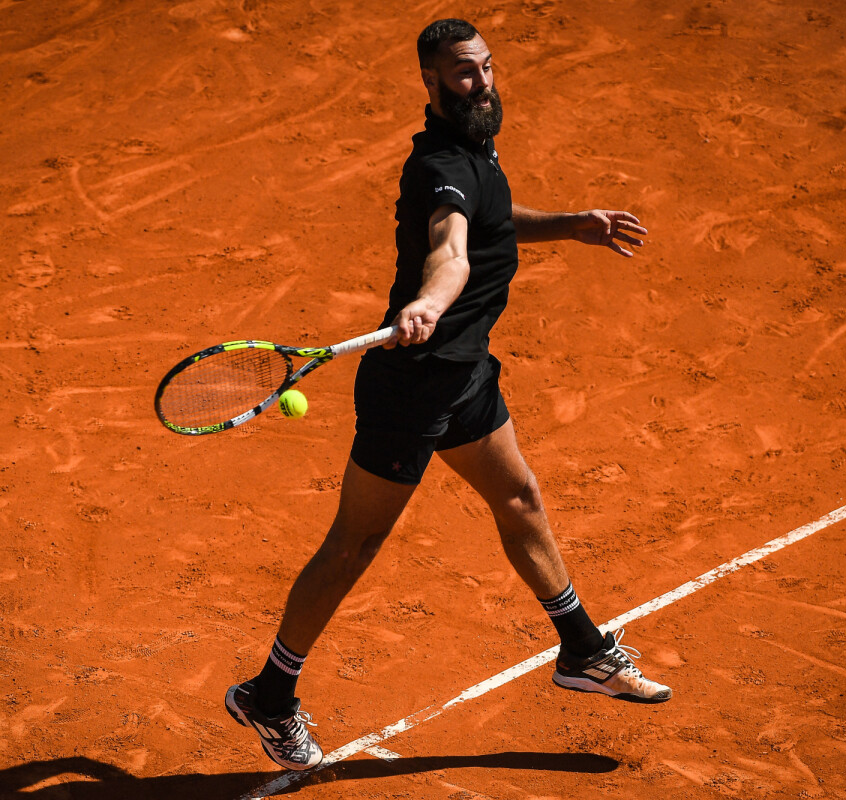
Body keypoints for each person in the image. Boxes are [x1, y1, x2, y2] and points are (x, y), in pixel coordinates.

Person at [225, 18, 670, 772]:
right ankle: (269, 694)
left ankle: (582, 650)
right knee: (354, 545)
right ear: (430, 82)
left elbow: (491, 222)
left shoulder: (473, 148)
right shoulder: (439, 167)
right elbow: (452, 248)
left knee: (521, 497)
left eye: (488, 67)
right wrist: (431, 299)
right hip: (413, 389)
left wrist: (570, 225)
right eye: (465, 73)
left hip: (463, 374)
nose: (484, 82)